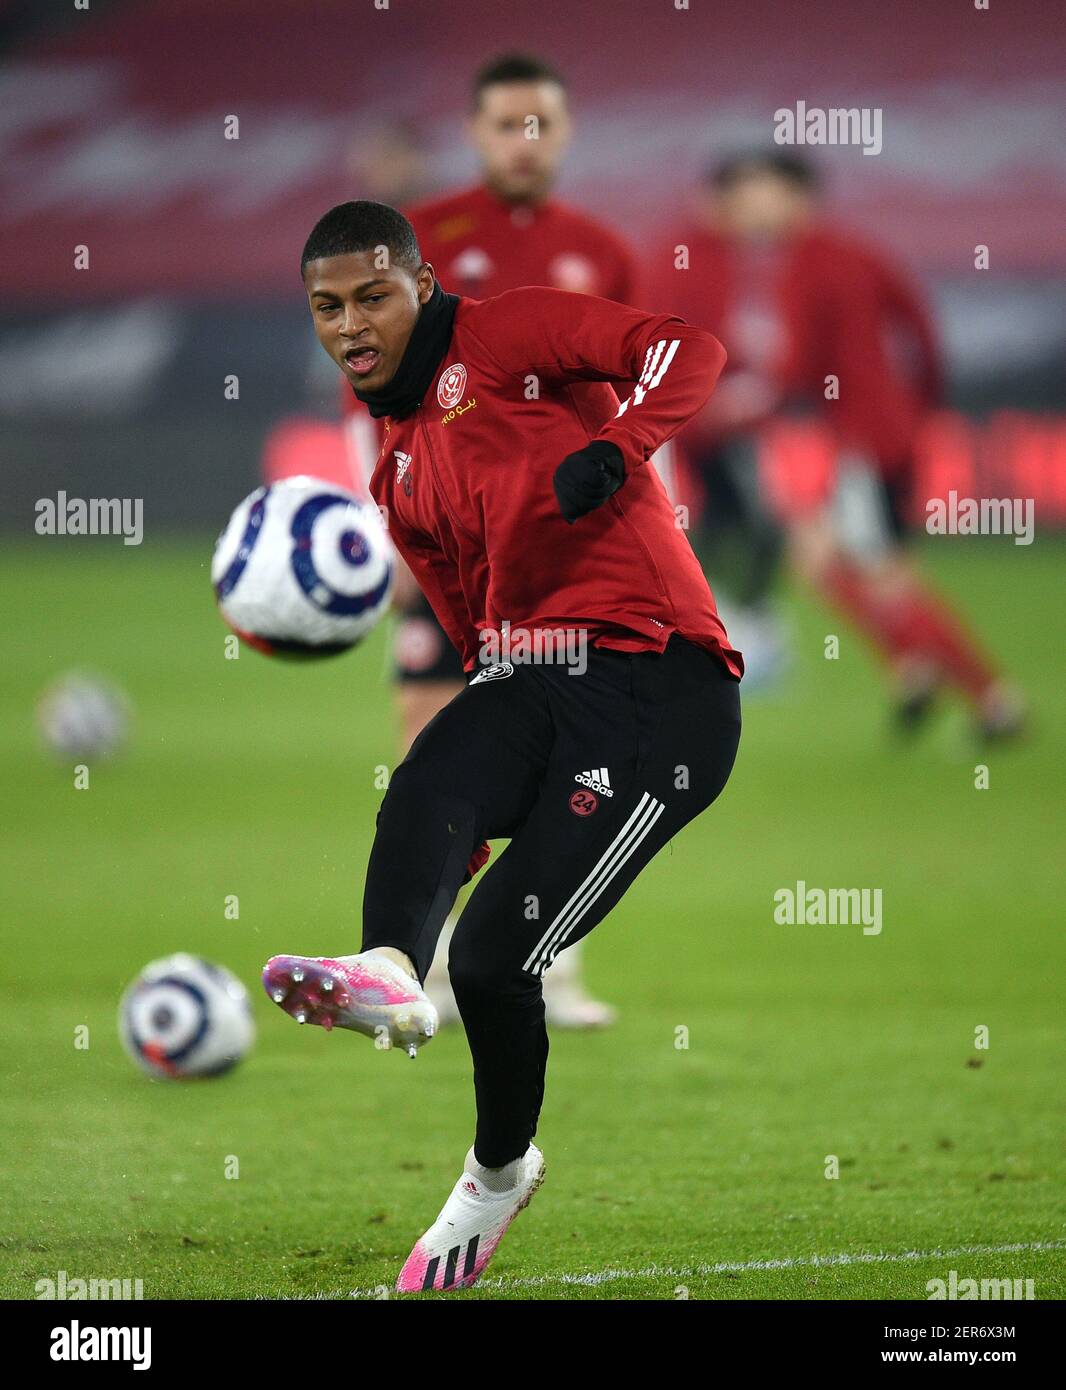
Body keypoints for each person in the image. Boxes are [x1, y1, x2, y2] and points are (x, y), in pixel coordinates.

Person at [263, 199, 743, 1292]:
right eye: (327, 306)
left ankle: (496, 1172)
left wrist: (619, 449)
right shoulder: (396, 471)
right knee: (429, 768)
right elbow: (479, 645)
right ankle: (388, 965)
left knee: (492, 960)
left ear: (421, 286)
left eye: (372, 294)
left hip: (659, 689)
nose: (351, 323)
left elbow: (688, 347)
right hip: (532, 677)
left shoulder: (510, 331)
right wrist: (467, 818)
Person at [345, 53, 643, 1028]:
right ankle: (420, 964)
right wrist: (386, 521)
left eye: (541, 124)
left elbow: (639, 399)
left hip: (570, 546)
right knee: (431, 732)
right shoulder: (422, 239)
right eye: (505, 123)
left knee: (578, 750)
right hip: (446, 537)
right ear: (473, 134)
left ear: (565, 134)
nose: (525, 141)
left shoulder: (599, 250)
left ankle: (547, 966)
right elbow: (373, 389)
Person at [650, 151, 1023, 737]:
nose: (754, 209)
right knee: (828, 559)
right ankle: (914, 668)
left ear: (795, 198)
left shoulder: (807, 264)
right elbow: (920, 328)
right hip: (888, 432)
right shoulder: (858, 252)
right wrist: (918, 404)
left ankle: (993, 699)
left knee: (876, 573)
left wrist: (741, 404)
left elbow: (795, 363)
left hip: (862, 442)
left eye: (765, 194)